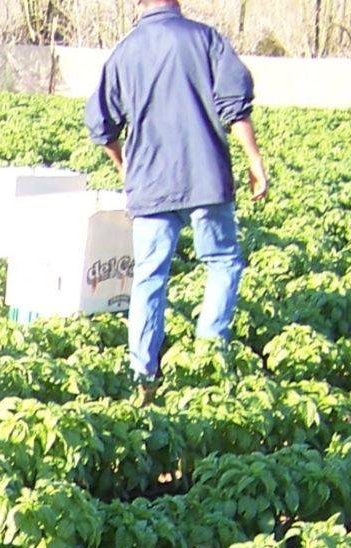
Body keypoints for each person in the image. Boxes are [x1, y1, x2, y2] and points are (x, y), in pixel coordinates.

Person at [84, 0, 269, 401]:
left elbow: (101, 125)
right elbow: (235, 106)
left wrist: (124, 165)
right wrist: (255, 160)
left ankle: (142, 373)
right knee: (221, 263)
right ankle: (207, 354)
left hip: (150, 184)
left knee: (149, 278)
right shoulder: (206, 40)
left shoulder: (124, 51)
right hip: (206, 178)